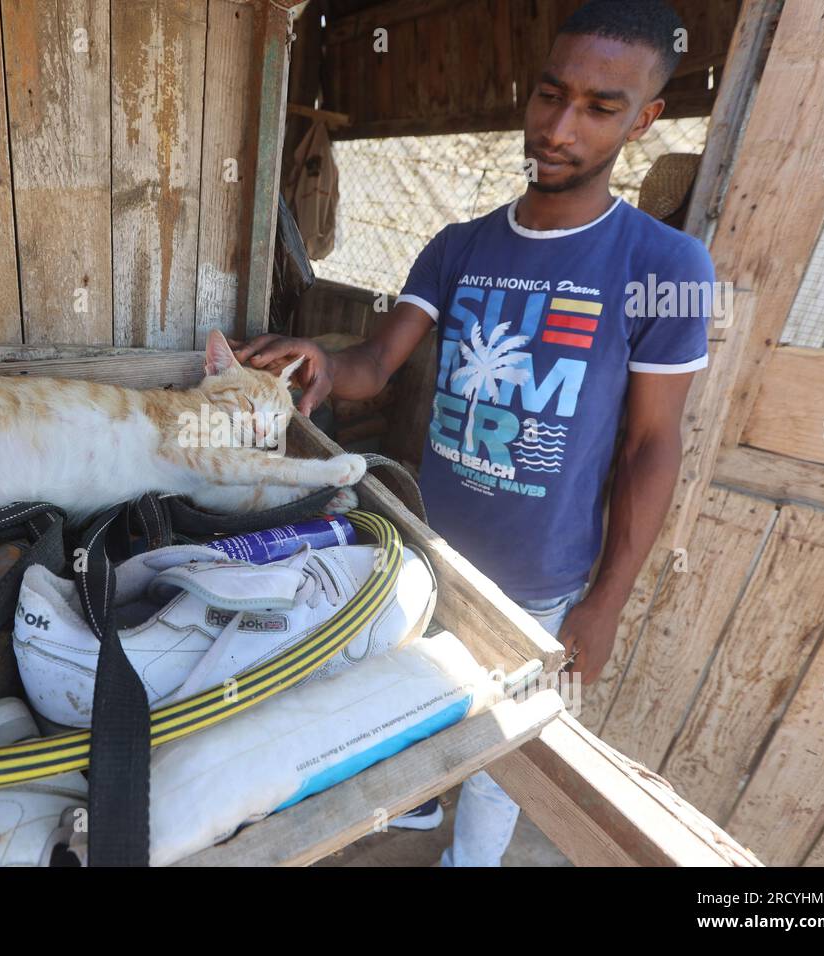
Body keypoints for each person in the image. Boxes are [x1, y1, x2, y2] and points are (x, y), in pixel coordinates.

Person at [234, 0, 713, 866]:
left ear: (644, 120)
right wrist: (319, 360)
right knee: (401, 704)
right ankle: (414, 811)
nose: (560, 127)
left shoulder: (667, 268)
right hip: (427, 549)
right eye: (549, 94)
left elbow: (652, 446)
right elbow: (374, 365)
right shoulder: (459, 246)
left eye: (601, 108)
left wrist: (604, 603)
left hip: (542, 582)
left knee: (505, 759)